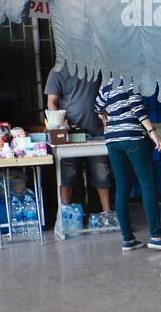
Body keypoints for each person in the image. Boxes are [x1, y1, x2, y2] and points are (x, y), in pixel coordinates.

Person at [93, 75, 161, 252]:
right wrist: (152, 132)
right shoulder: (129, 80)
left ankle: (128, 239)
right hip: (132, 137)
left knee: (122, 188)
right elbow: (137, 108)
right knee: (147, 183)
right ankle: (156, 236)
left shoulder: (106, 85)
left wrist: (103, 115)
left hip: (112, 140)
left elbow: (97, 106)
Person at [44, 63, 112, 213]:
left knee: (102, 173)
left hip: (96, 132)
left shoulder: (96, 68)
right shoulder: (58, 70)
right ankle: (66, 216)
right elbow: (52, 103)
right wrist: (62, 123)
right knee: (67, 175)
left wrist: (107, 115)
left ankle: (107, 215)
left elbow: (106, 94)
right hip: (69, 135)